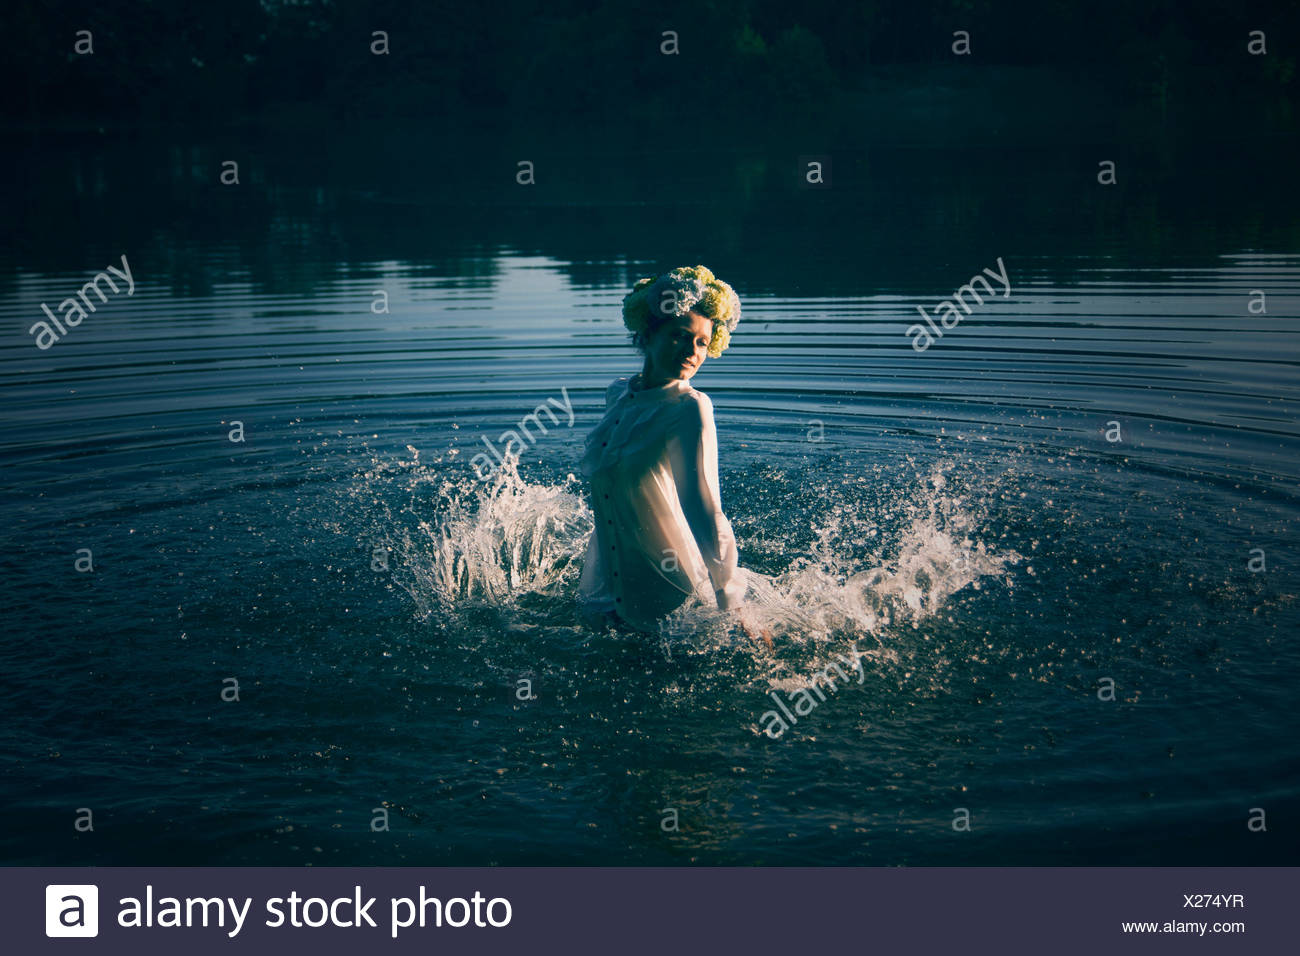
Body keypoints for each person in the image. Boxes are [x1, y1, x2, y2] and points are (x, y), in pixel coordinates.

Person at [578, 265, 768, 643]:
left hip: (666, 597)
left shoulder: (689, 409)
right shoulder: (618, 394)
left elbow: (706, 510)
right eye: (680, 336)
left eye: (702, 342)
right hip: (601, 590)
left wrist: (732, 601)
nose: (692, 352)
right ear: (647, 336)